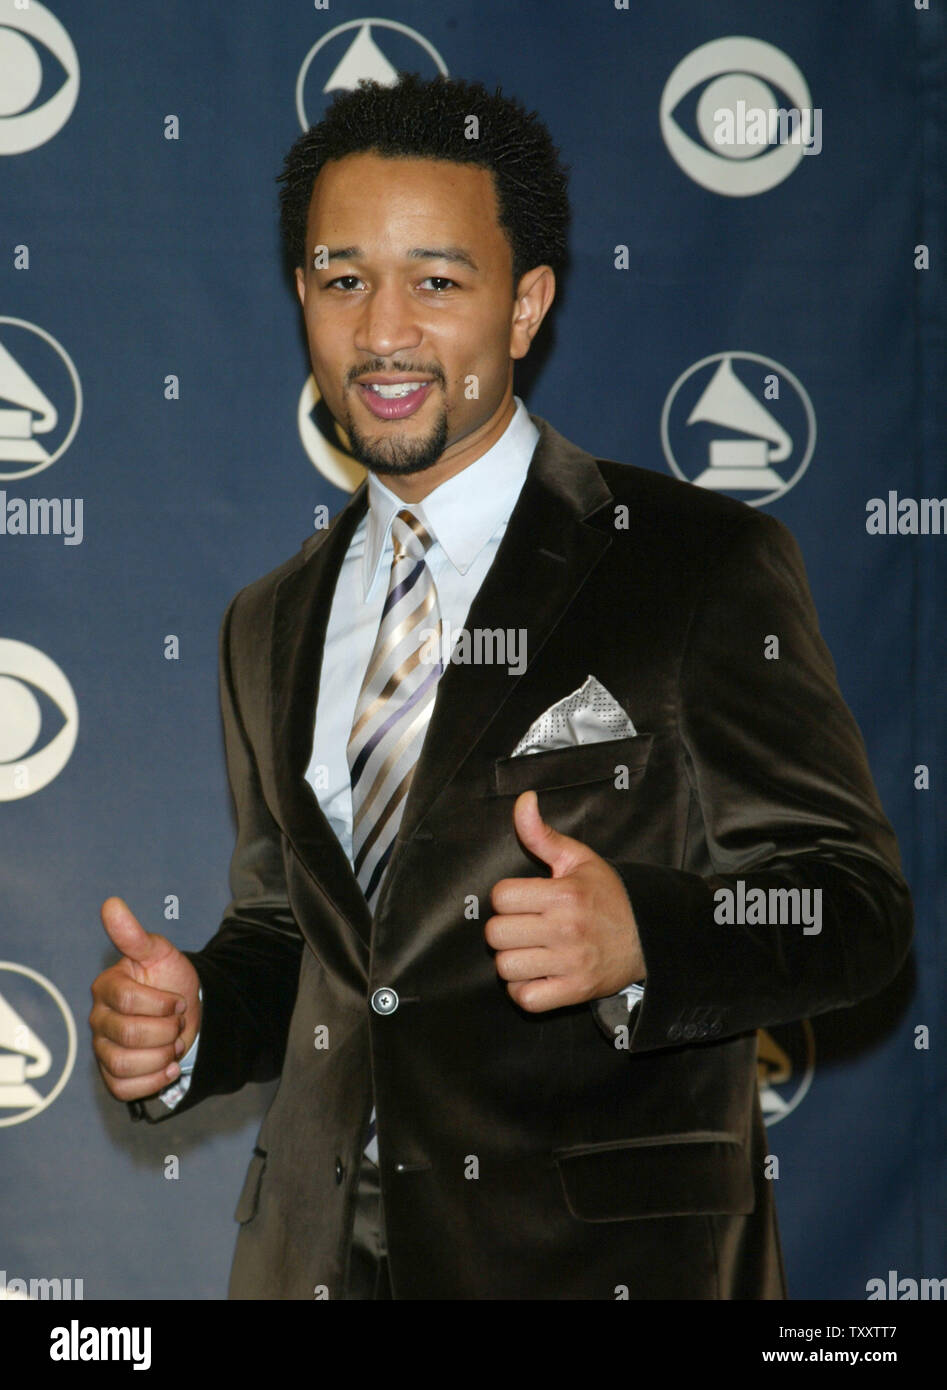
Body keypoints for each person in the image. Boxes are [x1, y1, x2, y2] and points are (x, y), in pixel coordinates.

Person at [89, 73, 912, 1300]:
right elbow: (304, 941)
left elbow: (850, 910)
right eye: (341, 278)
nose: (381, 334)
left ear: (524, 306)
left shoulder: (694, 563)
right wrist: (200, 1012)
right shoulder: (265, 620)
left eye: (436, 280)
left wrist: (648, 936)